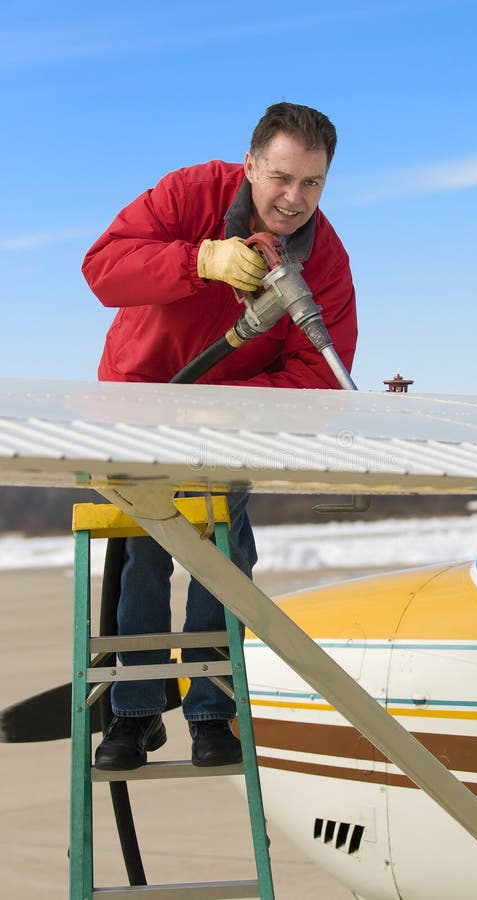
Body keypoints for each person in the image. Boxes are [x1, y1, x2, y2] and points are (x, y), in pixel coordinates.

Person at [82, 102, 358, 769]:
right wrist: (198, 260)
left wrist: (227, 407)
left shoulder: (323, 262)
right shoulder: (190, 194)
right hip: (140, 401)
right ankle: (135, 713)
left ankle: (212, 711)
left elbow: (322, 375)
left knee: (222, 551)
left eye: (312, 184)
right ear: (251, 165)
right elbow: (103, 269)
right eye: (282, 179)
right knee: (145, 554)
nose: (294, 199)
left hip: (226, 424)